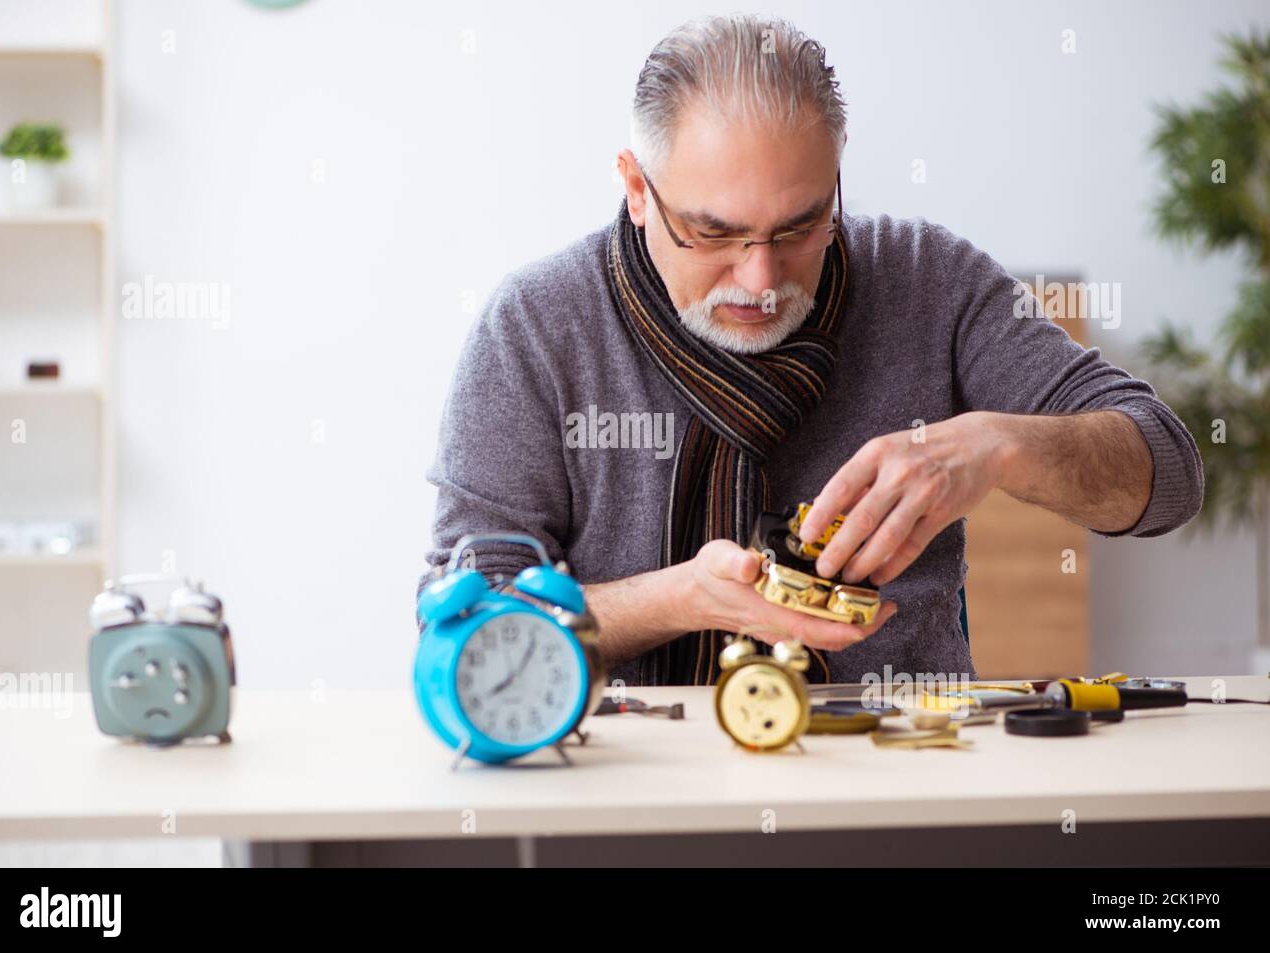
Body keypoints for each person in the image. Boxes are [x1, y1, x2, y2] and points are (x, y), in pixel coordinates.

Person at [421, 14, 1203, 687]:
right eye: (713, 232)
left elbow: (1167, 475)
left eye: (799, 226)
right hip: (623, 786)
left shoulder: (925, 278)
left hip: (902, 774)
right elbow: (466, 638)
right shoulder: (535, 325)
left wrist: (995, 445)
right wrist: (684, 598)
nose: (760, 278)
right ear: (635, 187)